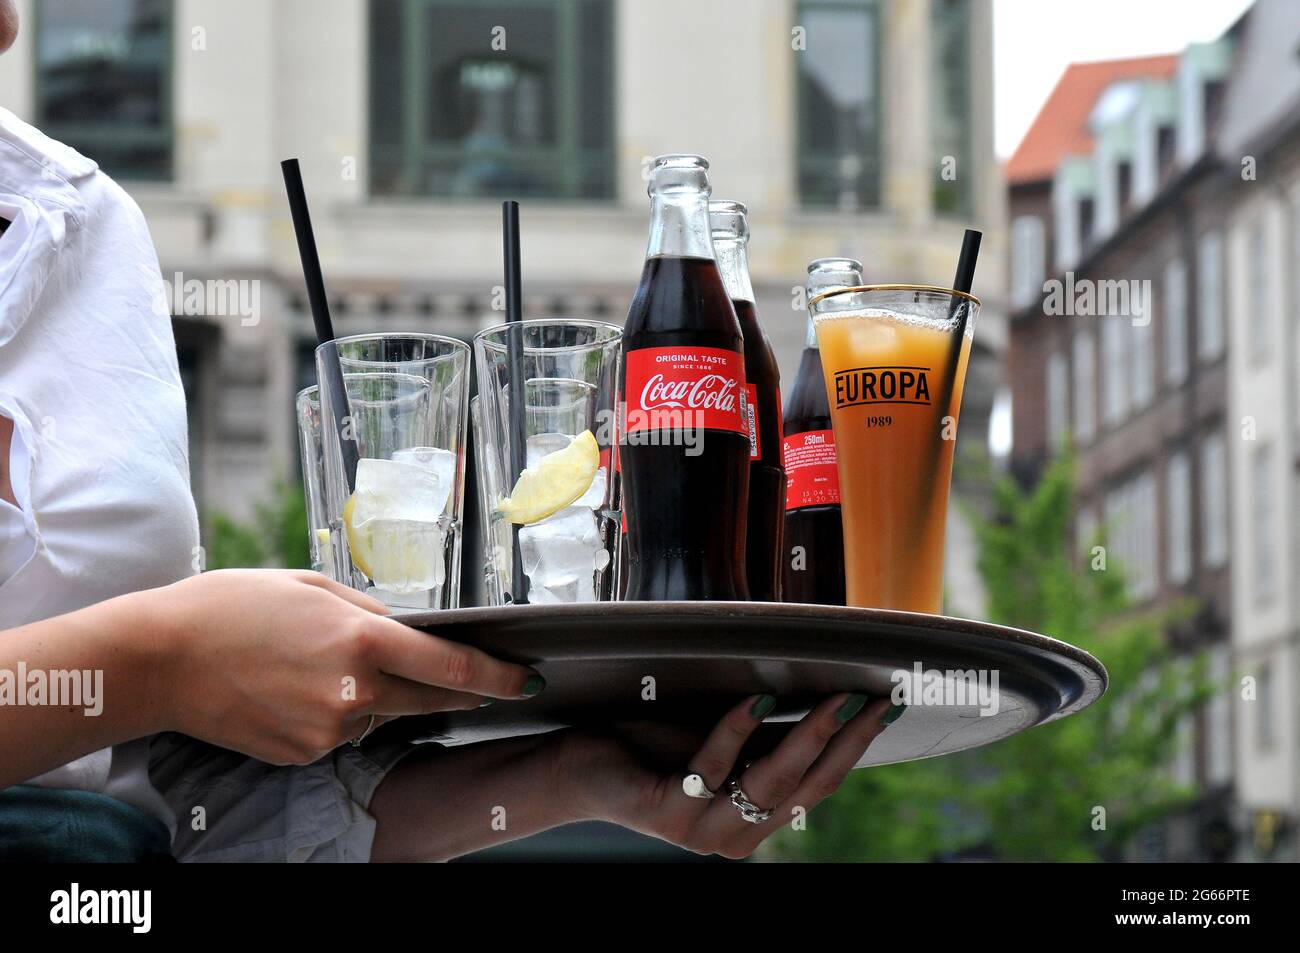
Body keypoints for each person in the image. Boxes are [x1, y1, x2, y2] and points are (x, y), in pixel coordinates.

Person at [0, 1, 896, 862]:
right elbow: (149, 677)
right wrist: (160, 661)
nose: (9, 21)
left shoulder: (89, 225)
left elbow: (175, 811)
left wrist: (571, 771)